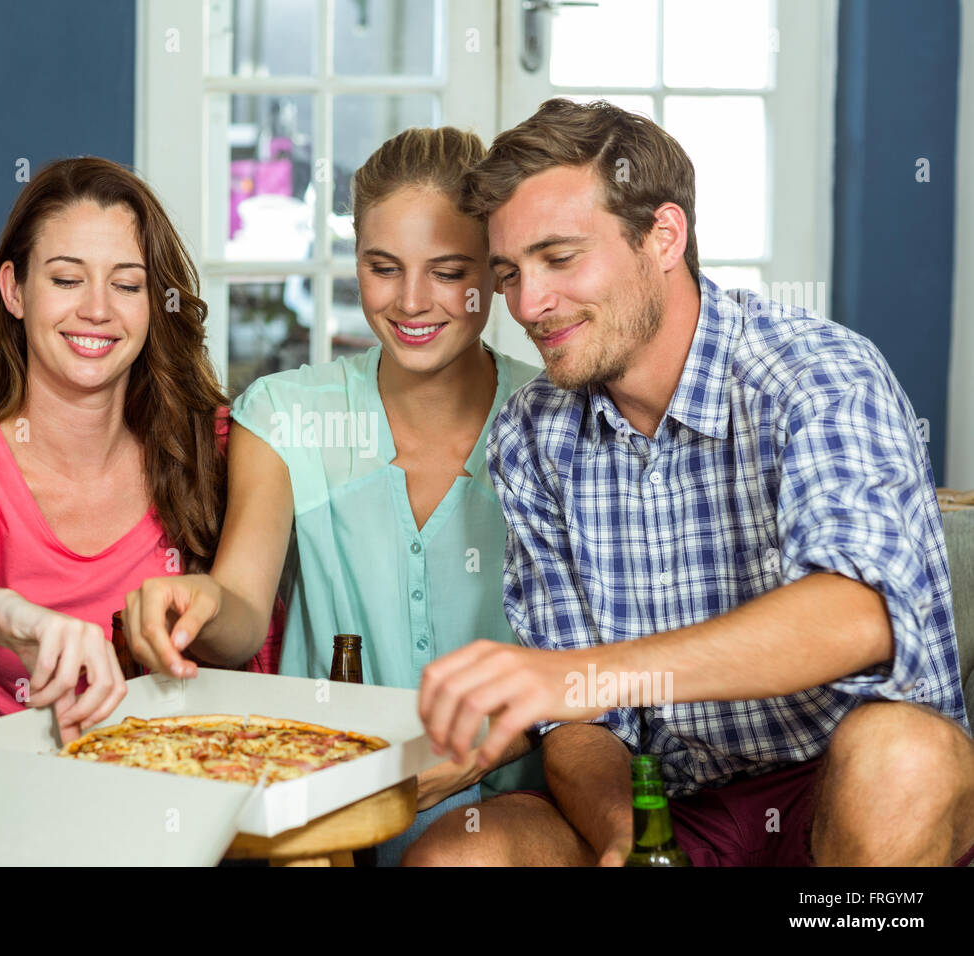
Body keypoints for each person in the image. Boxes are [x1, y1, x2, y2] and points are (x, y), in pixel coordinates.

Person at [409, 98, 974, 867]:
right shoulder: (532, 434)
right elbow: (582, 727)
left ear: (663, 236)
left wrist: (576, 677)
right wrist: (631, 842)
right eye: (509, 274)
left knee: (903, 753)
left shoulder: (815, 375)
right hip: (669, 807)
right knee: (462, 855)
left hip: (844, 795)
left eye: (560, 258)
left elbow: (861, 615)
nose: (528, 305)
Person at [123, 127, 541, 865]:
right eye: (384, 268)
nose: (412, 302)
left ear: (495, 272)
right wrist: (200, 603)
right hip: (326, 800)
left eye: (448, 272)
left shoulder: (552, 417)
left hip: (511, 801)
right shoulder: (286, 415)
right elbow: (243, 612)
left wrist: (488, 751)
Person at [0, 157, 278, 744]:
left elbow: (245, 622)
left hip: (190, 791)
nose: (96, 309)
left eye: (127, 284)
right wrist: (14, 616)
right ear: (15, 290)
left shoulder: (226, 445)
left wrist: (206, 599)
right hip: (18, 806)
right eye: (66, 279)